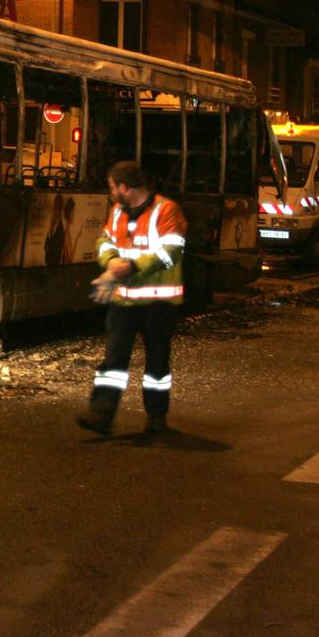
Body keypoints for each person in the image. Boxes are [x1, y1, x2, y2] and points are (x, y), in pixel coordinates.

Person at [76, 161, 188, 435]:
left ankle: (156, 417)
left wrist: (132, 266)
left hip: (158, 304)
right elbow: (104, 241)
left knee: (157, 365)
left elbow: (170, 251)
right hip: (123, 301)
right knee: (113, 360)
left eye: (113, 186)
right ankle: (101, 413)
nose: (111, 191)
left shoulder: (166, 210)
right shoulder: (117, 212)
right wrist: (111, 261)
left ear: (124, 187)